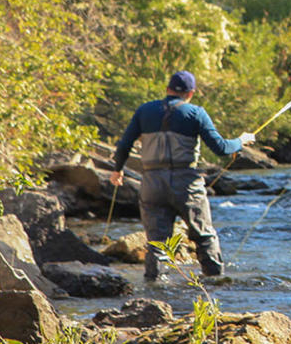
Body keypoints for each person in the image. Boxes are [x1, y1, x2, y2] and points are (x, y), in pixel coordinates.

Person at [109, 71, 255, 281]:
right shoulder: (196, 113)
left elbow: (124, 144)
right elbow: (222, 148)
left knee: (158, 243)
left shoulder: (144, 111)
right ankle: (214, 284)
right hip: (186, 182)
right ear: (191, 93)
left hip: (152, 183)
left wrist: (118, 170)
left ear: (167, 89)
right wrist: (242, 140)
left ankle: (154, 290)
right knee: (204, 236)